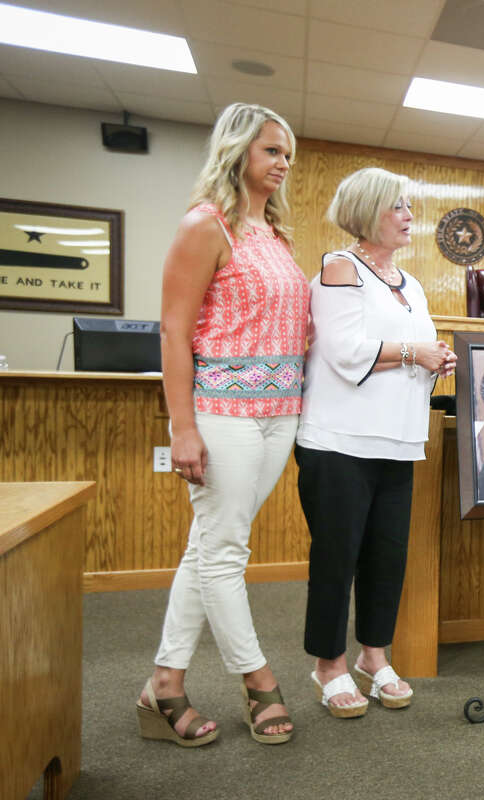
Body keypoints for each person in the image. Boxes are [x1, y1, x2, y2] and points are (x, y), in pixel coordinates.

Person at [137, 103, 308, 747]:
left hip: (278, 412)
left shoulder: (276, 236)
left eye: (287, 153)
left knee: (208, 545)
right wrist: (183, 426)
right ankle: (258, 680)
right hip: (222, 411)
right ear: (237, 152)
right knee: (227, 553)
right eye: (271, 150)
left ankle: (164, 684)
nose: (282, 163)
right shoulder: (205, 226)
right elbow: (175, 332)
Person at [296, 167, 456, 718]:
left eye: (410, 206)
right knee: (337, 559)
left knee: (387, 558)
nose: (410, 216)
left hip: (398, 439)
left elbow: (415, 344)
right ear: (368, 213)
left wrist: (438, 356)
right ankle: (328, 665)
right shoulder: (340, 269)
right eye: (398, 207)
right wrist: (416, 354)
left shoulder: (409, 282)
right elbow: (344, 351)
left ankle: (373, 657)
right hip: (339, 441)